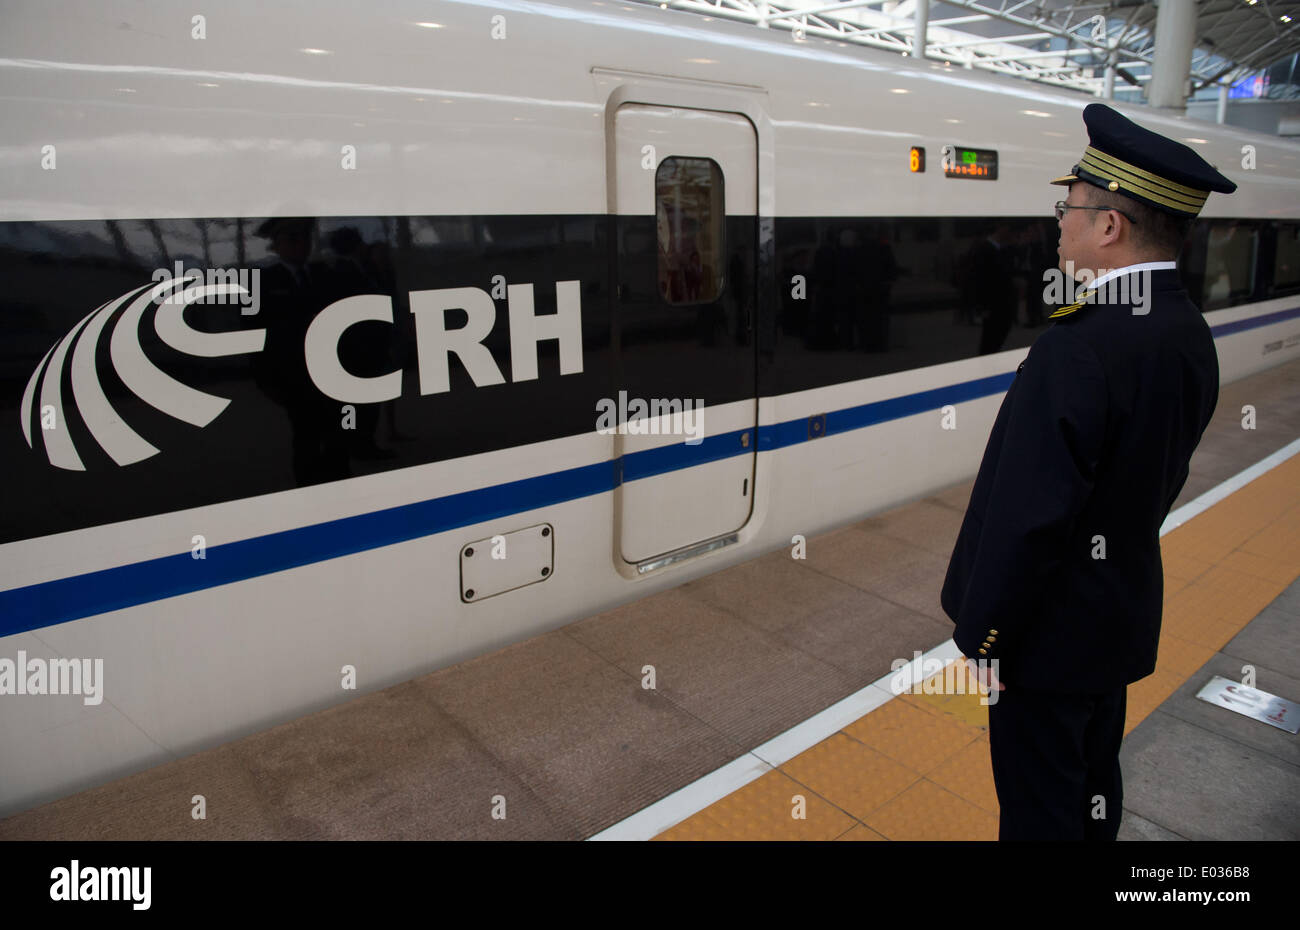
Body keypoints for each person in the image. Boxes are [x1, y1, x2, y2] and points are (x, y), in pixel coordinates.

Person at [940, 103, 1237, 840]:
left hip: (1048, 641)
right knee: (1092, 791)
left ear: (1110, 227)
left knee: (1041, 811)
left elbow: (1029, 520)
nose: (1060, 223)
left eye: (1068, 207)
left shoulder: (1079, 348)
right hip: (1115, 621)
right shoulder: (1187, 332)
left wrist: (985, 636)